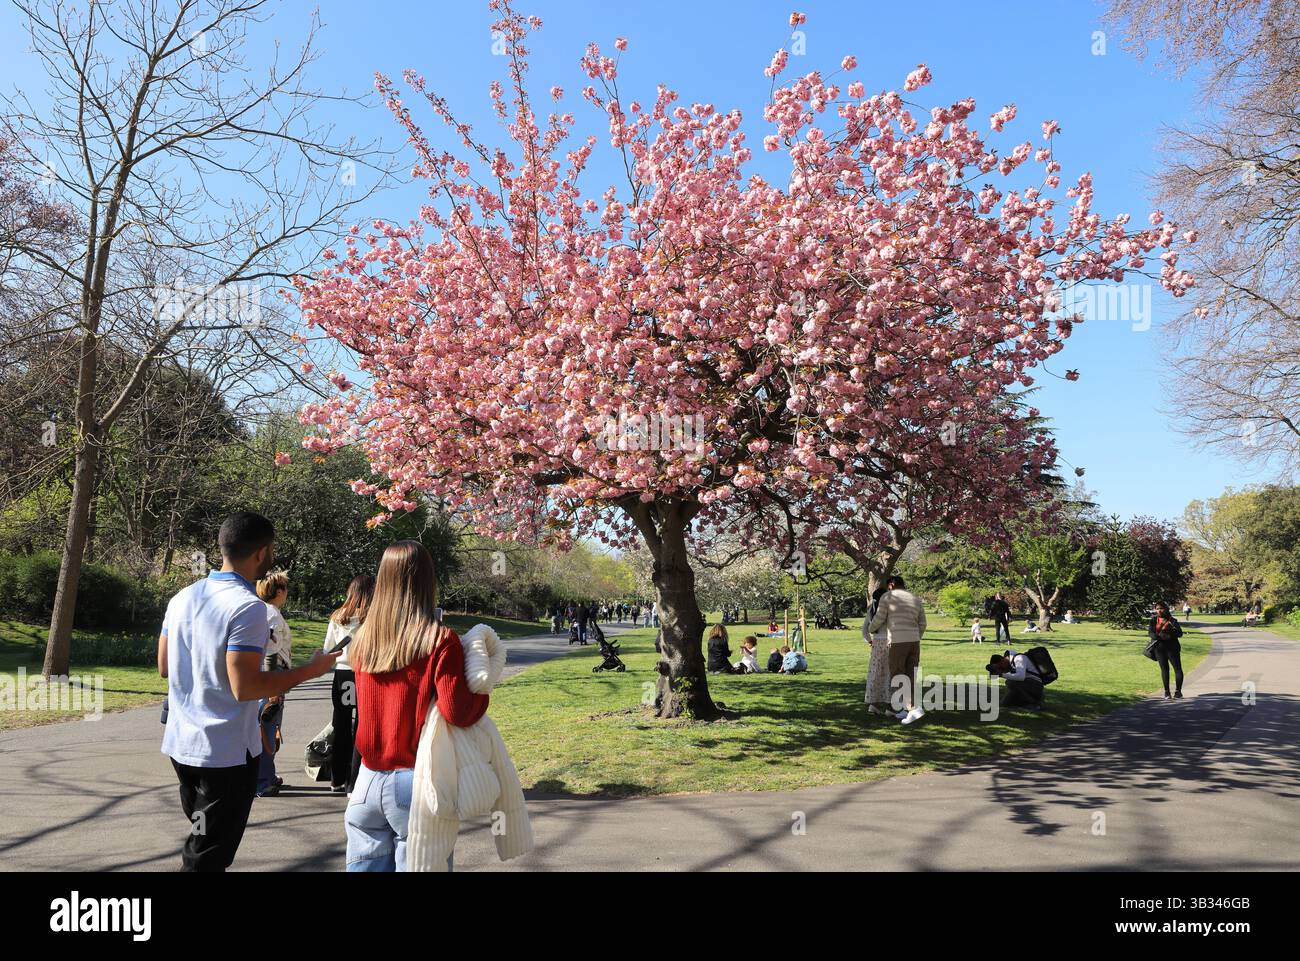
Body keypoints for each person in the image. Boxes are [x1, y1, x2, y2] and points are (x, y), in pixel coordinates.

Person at [158, 512, 338, 871]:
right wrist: (310, 671)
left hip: (182, 747)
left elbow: (164, 666)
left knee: (201, 839)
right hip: (224, 755)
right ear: (262, 552)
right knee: (206, 858)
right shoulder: (249, 608)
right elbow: (246, 687)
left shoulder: (182, 597)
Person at [346, 541, 485, 872]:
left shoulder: (364, 639)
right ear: (427, 580)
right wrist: (482, 692)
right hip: (416, 781)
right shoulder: (439, 640)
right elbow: (458, 712)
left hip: (366, 780)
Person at [325, 574, 374, 796]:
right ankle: (353, 783)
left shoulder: (337, 617)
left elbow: (329, 648)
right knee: (361, 728)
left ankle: (336, 778)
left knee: (341, 726)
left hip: (342, 674)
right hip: (364, 675)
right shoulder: (372, 617)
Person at [868, 574, 927, 725]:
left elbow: (879, 618)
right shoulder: (915, 598)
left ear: (891, 585)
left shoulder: (887, 597)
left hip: (897, 640)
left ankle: (912, 708)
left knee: (897, 675)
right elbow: (923, 623)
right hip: (914, 641)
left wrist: (871, 628)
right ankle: (905, 709)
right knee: (910, 674)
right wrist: (916, 636)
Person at [255, 570, 293, 798]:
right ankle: (263, 780)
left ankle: (266, 774)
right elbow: (270, 650)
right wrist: (273, 691)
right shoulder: (271, 614)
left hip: (272, 674)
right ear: (279, 591)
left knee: (269, 727)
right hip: (272, 675)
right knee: (268, 727)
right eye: (286, 588)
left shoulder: (268, 612)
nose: (287, 593)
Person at [1148, 601, 1185, 699]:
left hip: (1172, 648)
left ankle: (1178, 692)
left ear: (1166, 609)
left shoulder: (1172, 620)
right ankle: (1167, 692)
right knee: (1164, 670)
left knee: (1177, 669)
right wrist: (1159, 637)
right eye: (1157, 608)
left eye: (1161, 608)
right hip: (1159, 649)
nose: (1159, 610)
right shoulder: (1153, 620)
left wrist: (1169, 635)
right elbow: (1151, 633)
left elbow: (1180, 633)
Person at [863, 585, 890, 714]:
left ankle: (873, 704)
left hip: (877, 643)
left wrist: (870, 641)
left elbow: (864, 631)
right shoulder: (888, 609)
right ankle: (890, 704)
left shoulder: (871, 610)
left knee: (876, 673)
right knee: (889, 672)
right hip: (889, 642)